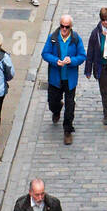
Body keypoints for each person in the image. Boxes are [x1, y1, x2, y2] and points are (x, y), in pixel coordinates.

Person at [41, 14, 86, 144]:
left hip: (70, 79)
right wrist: (56, 61)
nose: (64, 29)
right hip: (56, 78)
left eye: (67, 27)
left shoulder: (76, 39)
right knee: (52, 102)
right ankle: (56, 109)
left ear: (71, 27)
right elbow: (45, 53)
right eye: (62, 26)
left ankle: (67, 130)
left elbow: (82, 56)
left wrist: (71, 60)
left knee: (70, 105)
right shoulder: (53, 38)